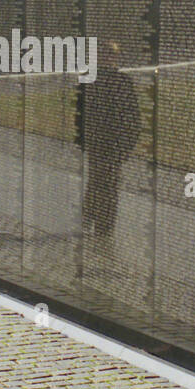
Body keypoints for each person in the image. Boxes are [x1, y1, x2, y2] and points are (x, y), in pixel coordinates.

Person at [78, 41, 139, 240]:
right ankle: (97, 224)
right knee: (100, 182)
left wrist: (127, 144)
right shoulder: (88, 79)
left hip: (113, 143)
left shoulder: (123, 81)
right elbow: (80, 112)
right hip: (98, 142)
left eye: (110, 55)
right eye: (103, 55)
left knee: (106, 183)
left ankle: (100, 225)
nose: (107, 58)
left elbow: (132, 115)